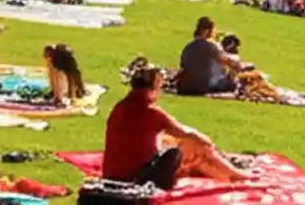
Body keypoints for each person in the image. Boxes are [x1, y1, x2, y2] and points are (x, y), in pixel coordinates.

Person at [103, 66, 247, 189]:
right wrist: (208, 144)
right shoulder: (150, 112)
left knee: (177, 145)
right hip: (139, 177)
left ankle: (229, 172)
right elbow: (186, 133)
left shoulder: (120, 107)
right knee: (193, 146)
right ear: (152, 88)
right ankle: (235, 175)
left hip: (112, 173)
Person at [176, 17, 241, 95]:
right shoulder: (210, 46)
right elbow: (227, 62)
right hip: (204, 86)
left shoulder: (188, 47)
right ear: (207, 31)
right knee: (233, 73)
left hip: (186, 86)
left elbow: (182, 69)